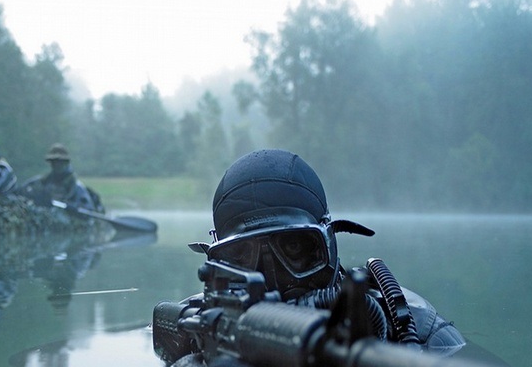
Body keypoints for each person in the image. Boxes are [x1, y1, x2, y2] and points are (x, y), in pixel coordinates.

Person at [192, 148, 464, 351]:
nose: (274, 284)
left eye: (295, 247)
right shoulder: (197, 326)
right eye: (240, 257)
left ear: (330, 243)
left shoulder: (414, 328)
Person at [18, 144, 104, 212]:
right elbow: (21, 191)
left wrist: (71, 207)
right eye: (54, 162)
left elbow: (88, 210)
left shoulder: (77, 187)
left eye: (60, 162)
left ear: (66, 163)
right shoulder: (42, 181)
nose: (57, 165)